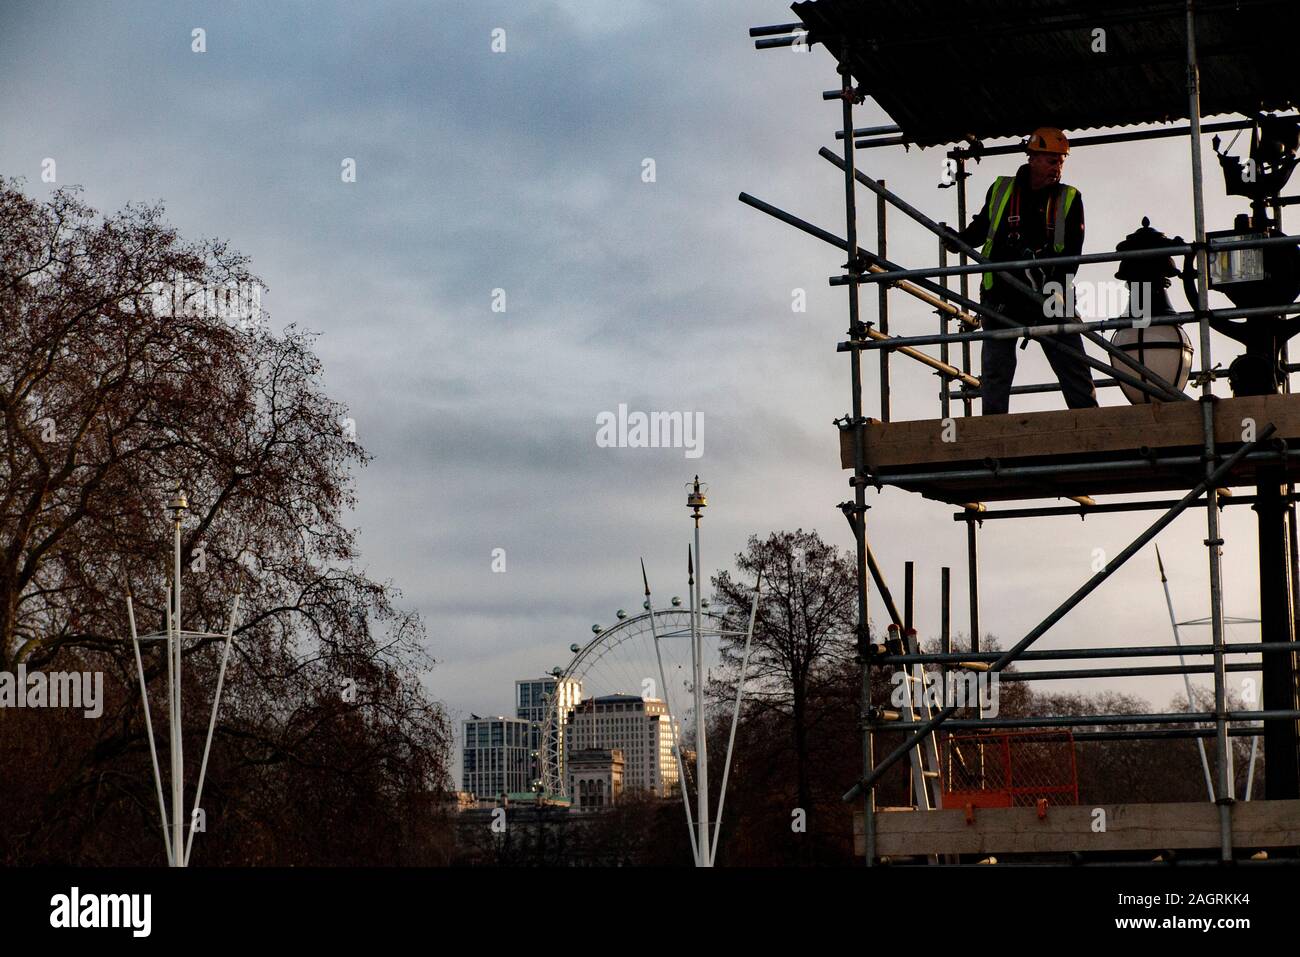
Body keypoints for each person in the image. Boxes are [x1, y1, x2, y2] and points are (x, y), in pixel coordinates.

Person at [944, 127, 1098, 416]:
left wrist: (1052, 290)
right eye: (1052, 160)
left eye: (1061, 161)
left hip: (1050, 295)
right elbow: (981, 228)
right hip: (1002, 294)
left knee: (1073, 364)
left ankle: (1090, 422)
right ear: (1033, 158)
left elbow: (1071, 254)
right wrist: (959, 241)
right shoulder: (1002, 190)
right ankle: (993, 429)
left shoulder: (1069, 198)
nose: (1057, 167)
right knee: (996, 370)